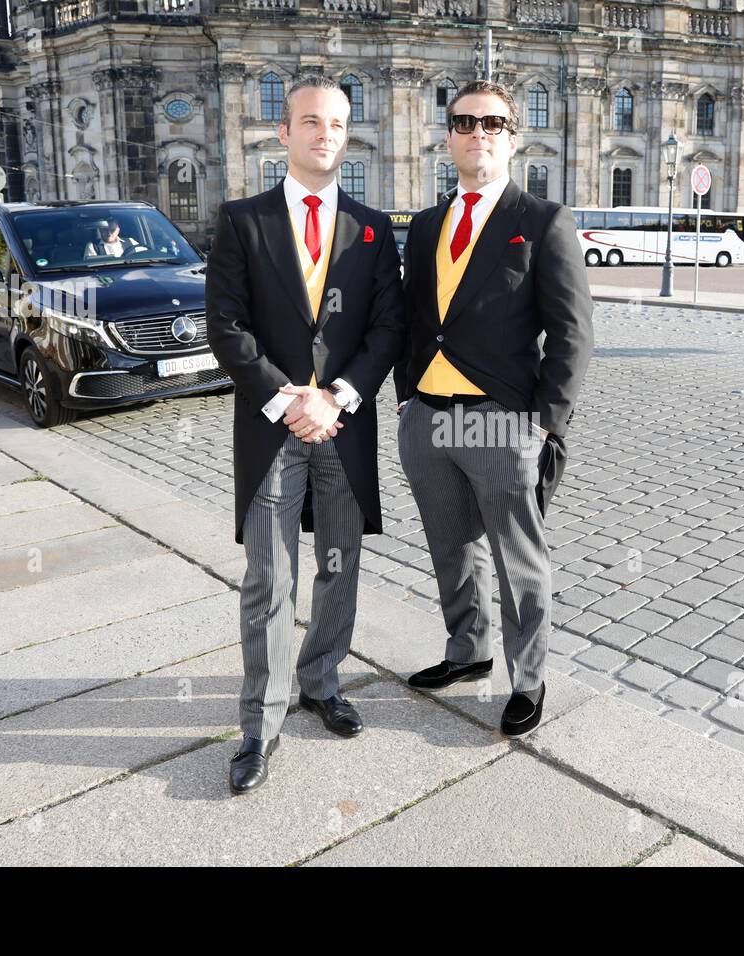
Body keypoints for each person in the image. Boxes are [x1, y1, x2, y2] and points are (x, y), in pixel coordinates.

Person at [204, 76, 406, 795]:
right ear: (282, 132)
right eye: (309, 121)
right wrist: (290, 400)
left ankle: (321, 681)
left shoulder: (375, 228)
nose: (325, 134)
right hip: (273, 429)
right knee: (269, 578)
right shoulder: (242, 220)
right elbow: (225, 327)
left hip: (343, 427)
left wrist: (339, 398)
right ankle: (260, 726)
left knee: (338, 565)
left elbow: (388, 327)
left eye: (337, 124)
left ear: (347, 136)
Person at [395, 79, 594, 738]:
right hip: (428, 416)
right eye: (464, 122)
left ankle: (528, 678)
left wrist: (544, 422)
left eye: (492, 123)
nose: (477, 133)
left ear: (513, 137)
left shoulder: (541, 221)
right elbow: (413, 320)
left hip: (502, 417)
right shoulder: (426, 226)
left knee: (518, 561)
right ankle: (467, 652)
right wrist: (405, 401)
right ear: (448, 135)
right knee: (448, 548)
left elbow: (573, 334)